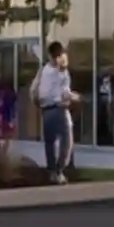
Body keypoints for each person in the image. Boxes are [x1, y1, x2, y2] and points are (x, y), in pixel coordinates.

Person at [30, 41, 79, 184]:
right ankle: (59, 170)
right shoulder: (61, 71)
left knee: (50, 143)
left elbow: (34, 89)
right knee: (67, 141)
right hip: (59, 109)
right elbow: (65, 94)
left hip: (46, 111)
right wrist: (76, 97)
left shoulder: (43, 70)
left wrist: (36, 102)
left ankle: (52, 171)